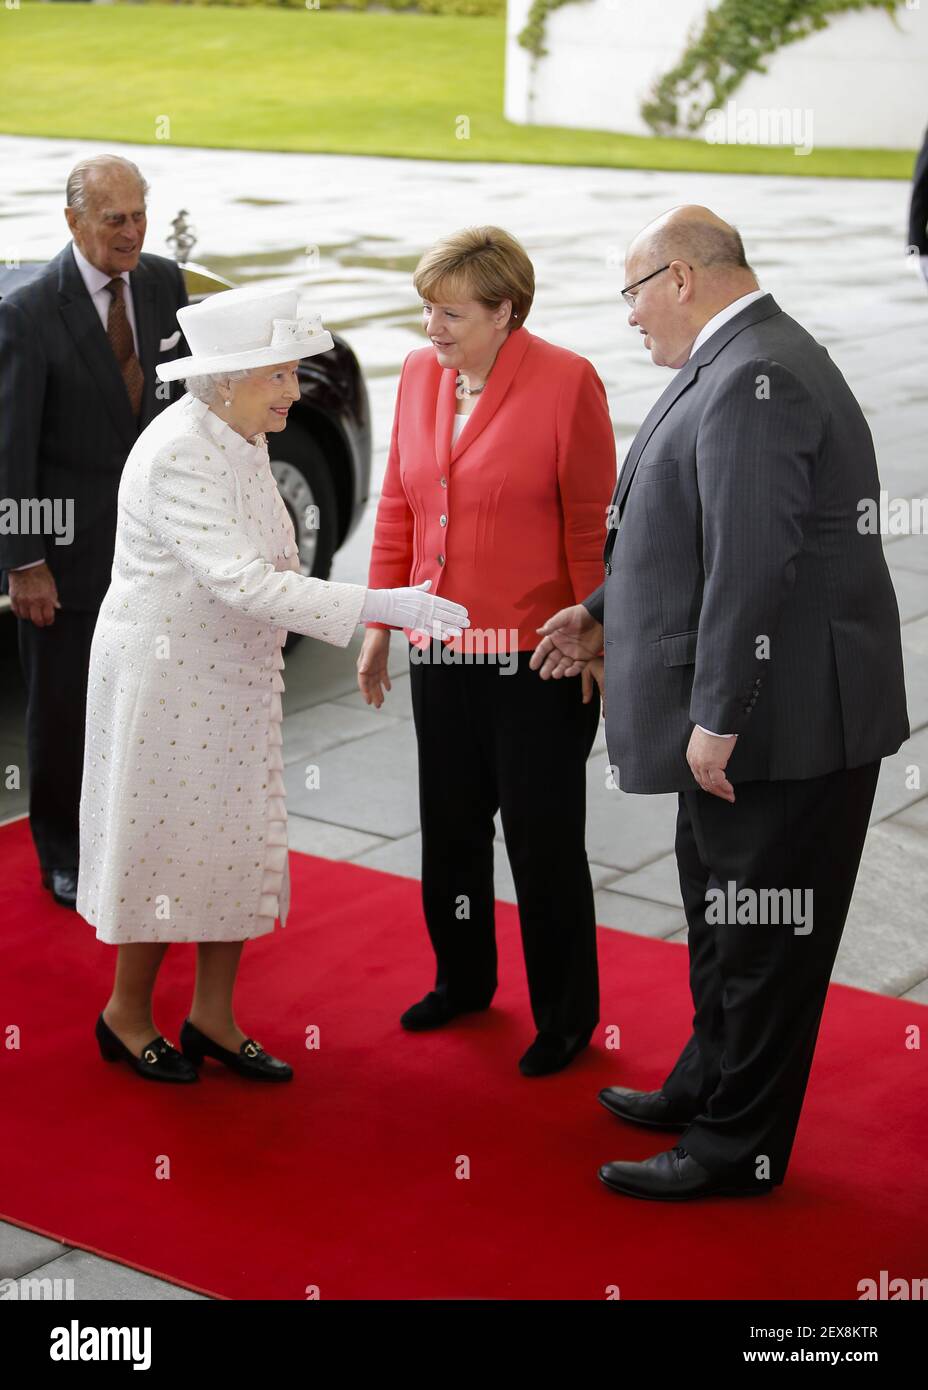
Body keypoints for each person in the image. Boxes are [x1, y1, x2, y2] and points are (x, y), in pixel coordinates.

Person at [533, 205, 909, 1195]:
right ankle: (706, 1085)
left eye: (631, 294)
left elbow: (752, 560)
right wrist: (601, 612)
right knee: (719, 922)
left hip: (783, 726)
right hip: (758, 717)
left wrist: (718, 715)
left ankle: (731, 1148)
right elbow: (683, 530)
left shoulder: (758, 373)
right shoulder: (738, 358)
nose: (627, 317)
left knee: (760, 943)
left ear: (680, 279)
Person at [77, 284, 468, 1084]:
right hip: (167, 679)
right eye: (281, 375)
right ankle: (124, 1016)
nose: (296, 390)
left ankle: (212, 1018)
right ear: (227, 378)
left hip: (227, 673)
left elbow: (276, 569)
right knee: (164, 841)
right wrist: (375, 605)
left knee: (232, 839)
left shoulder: (241, 430)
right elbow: (246, 582)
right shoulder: (181, 450)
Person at [357, 226, 616, 1076]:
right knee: (453, 834)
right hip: (442, 649)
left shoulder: (567, 381)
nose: (431, 328)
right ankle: (464, 981)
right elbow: (398, 502)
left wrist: (595, 638)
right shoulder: (420, 374)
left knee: (542, 844)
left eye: (451, 313)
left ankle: (567, 1016)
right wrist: (379, 622)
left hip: (537, 658)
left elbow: (589, 525)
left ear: (506, 311)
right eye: (426, 309)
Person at [0, 154, 189, 909]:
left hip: (156, 552)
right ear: (74, 221)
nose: (132, 231)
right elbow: (9, 453)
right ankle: (64, 854)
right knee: (65, 711)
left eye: (140, 213)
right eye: (115, 218)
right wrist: (24, 563)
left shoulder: (166, 282)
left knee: (145, 704)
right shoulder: (28, 313)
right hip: (67, 561)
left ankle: (136, 836)